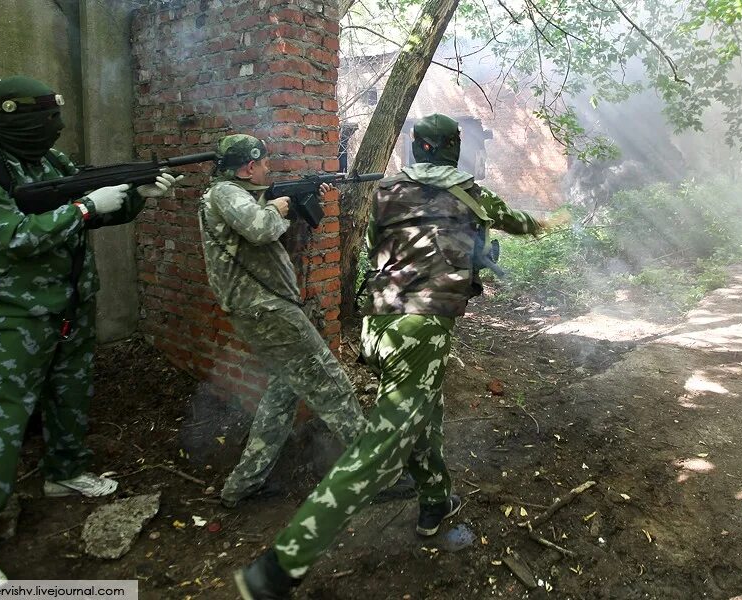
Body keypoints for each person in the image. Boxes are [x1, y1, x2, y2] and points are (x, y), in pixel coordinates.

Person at [233, 113, 547, 599]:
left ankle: (436, 502)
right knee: (380, 448)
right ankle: (280, 565)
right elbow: (518, 223)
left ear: (416, 150)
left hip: (379, 324)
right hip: (421, 327)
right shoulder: (471, 195)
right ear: (452, 150)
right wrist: (539, 225)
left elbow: (379, 245)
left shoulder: (384, 193)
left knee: (424, 413)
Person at [0, 75, 176, 586]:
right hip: (16, 312)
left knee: (71, 394)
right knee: (2, 416)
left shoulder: (50, 159)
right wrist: (88, 206)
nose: (54, 128)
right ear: (8, 117)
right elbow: (14, 234)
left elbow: (93, 205)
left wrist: (136, 195)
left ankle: (65, 472)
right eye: (43, 119)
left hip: (70, 300)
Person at [199, 134, 373, 509]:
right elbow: (260, 228)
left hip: (262, 309)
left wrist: (299, 199)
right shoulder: (227, 194)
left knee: (282, 394)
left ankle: (243, 484)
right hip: (269, 311)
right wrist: (279, 207)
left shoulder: (234, 194)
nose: (267, 169)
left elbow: (255, 227)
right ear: (248, 167)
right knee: (332, 384)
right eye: (263, 165)